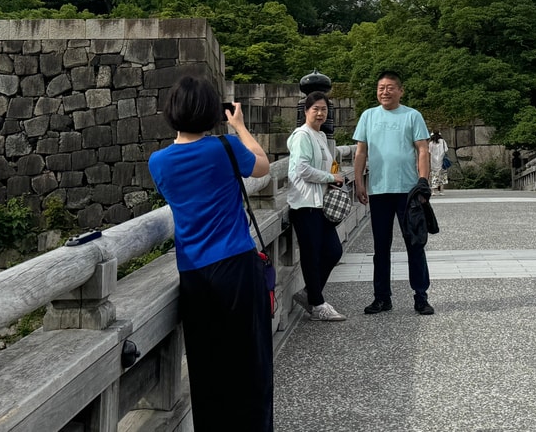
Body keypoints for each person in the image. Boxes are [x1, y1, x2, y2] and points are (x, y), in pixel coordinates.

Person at [147, 75, 273, 431]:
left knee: (207, 367)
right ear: (211, 112)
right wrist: (240, 127)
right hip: (235, 265)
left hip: (194, 274)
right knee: (251, 364)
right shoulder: (224, 148)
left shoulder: (158, 162)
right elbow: (261, 164)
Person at [352, 71, 435, 316]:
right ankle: (381, 297)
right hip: (379, 190)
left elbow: (422, 150)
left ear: (401, 90)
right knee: (381, 246)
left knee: (414, 243)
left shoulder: (412, 116)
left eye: (390, 87)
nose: (384, 92)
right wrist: (359, 181)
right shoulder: (368, 116)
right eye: (381, 88)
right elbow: (360, 152)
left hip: (408, 191)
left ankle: (421, 296)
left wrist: (423, 182)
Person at [286, 91, 347, 322]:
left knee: (333, 251)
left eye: (324, 109)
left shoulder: (320, 136)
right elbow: (302, 169)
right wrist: (331, 179)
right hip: (304, 204)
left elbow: (327, 166)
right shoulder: (302, 136)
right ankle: (318, 304)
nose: (320, 113)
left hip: (319, 204)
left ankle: (310, 294)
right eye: (316, 109)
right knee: (312, 255)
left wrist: (333, 178)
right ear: (306, 111)